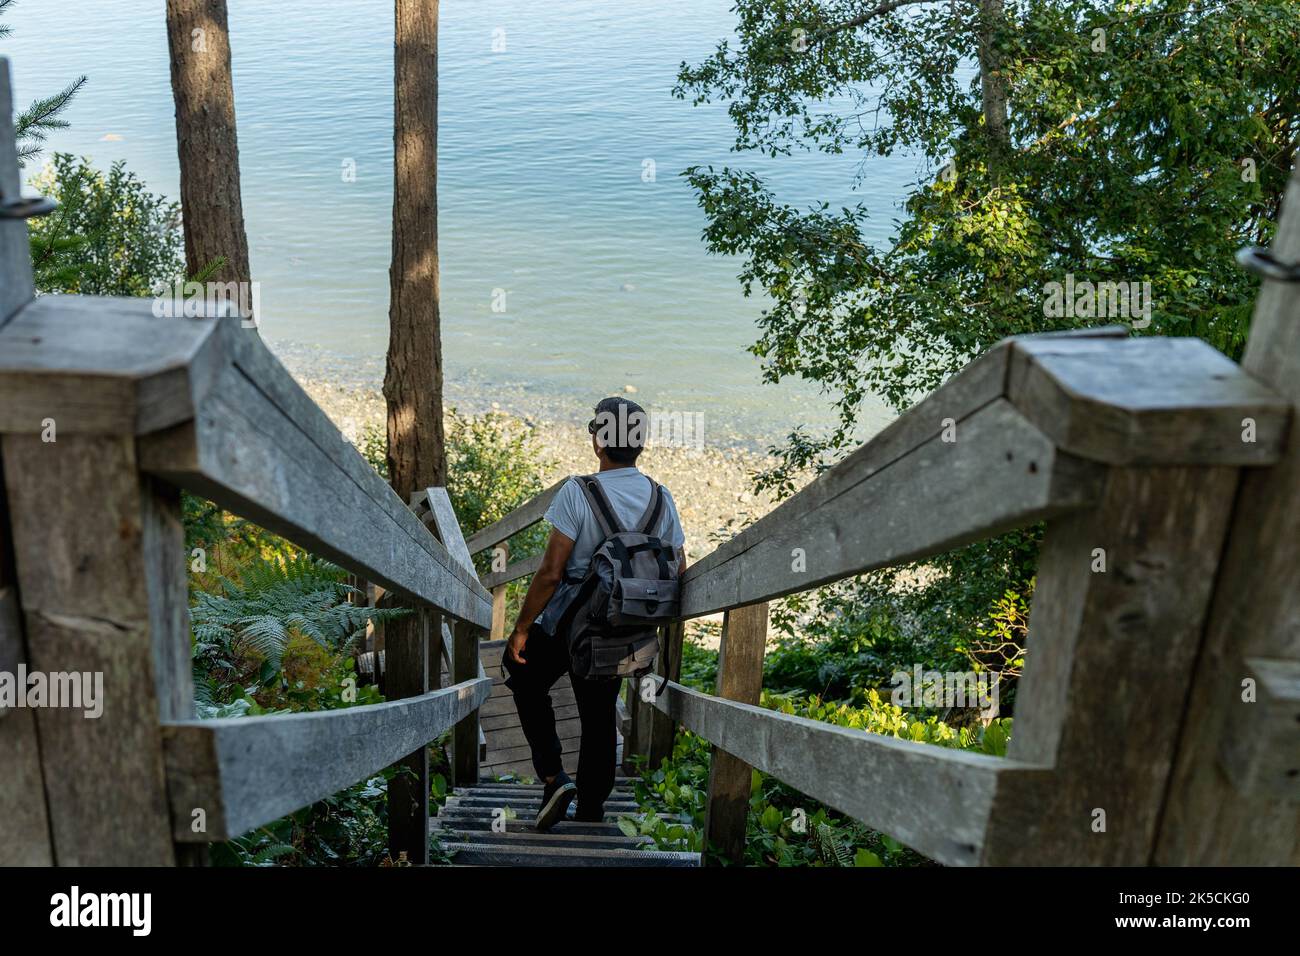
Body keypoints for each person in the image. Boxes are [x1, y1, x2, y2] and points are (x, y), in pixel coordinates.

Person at [500, 397, 687, 831]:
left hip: (568, 626)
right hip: (621, 630)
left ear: (599, 441)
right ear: (640, 444)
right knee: (599, 712)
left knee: (522, 675)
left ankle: (553, 776)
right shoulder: (662, 498)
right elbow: (677, 568)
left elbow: (550, 572)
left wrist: (521, 629)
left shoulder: (578, 491)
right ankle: (590, 809)